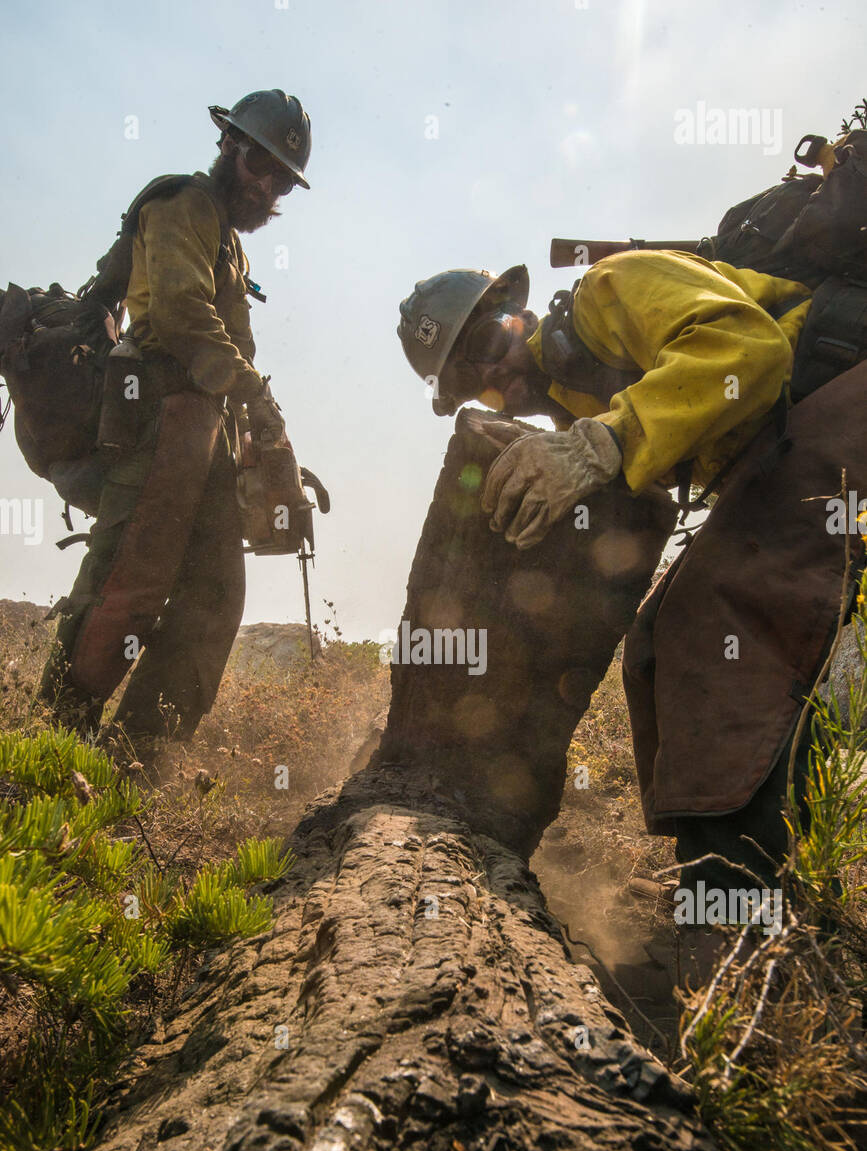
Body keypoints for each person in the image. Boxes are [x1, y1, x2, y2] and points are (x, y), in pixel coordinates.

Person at [397, 251, 867, 906]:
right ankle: (726, 862)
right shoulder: (574, 406)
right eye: (467, 379)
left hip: (839, 396)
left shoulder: (606, 289)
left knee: (712, 623)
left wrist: (605, 442)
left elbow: (748, 349)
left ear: (515, 313)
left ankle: (742, 902)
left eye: (482, 342)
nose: (489, 374)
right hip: (782, 452)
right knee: (652, 645)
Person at [39, 89, 311, 769]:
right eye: (260, 164)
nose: (267, 185)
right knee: (128, 584)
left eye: (280, 178)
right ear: (229, 146)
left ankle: (136, 764)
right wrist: (253, 395)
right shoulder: (182, 205)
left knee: (216, 596)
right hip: (159, 409)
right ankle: (52, 748)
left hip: (205, 425)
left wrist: (255, 416)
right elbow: (186, 316)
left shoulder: (228, 242)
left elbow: (233, 343)